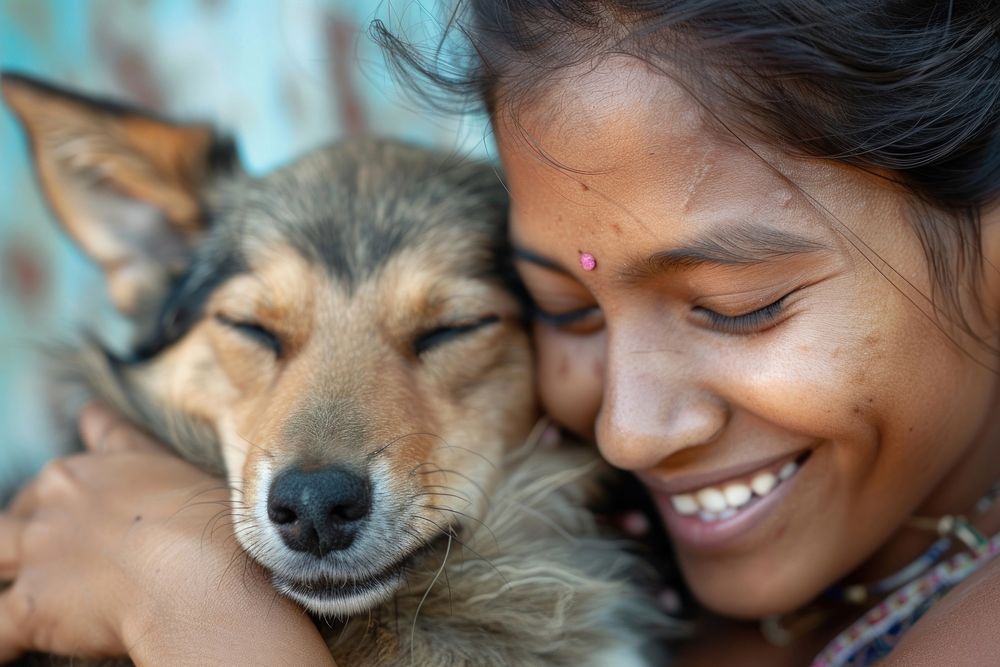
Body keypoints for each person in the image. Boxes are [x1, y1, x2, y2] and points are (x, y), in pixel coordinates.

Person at [3, 1, 1000, 664]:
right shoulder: (670, 543)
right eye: (565, 311)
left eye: (737, 303)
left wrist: (196, 604)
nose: (628, 429)